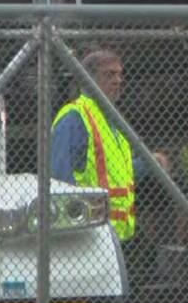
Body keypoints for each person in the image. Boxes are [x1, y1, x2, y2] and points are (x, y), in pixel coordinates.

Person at [51, 50, 141, 244]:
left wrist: (147, 165)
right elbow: (60, 178)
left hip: (116, 235)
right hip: (89, 235)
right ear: (88, 79)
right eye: (109, 75)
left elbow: (116, 173)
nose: (118, 81)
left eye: (120, 74)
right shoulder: (75, 117)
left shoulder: (113, 122)